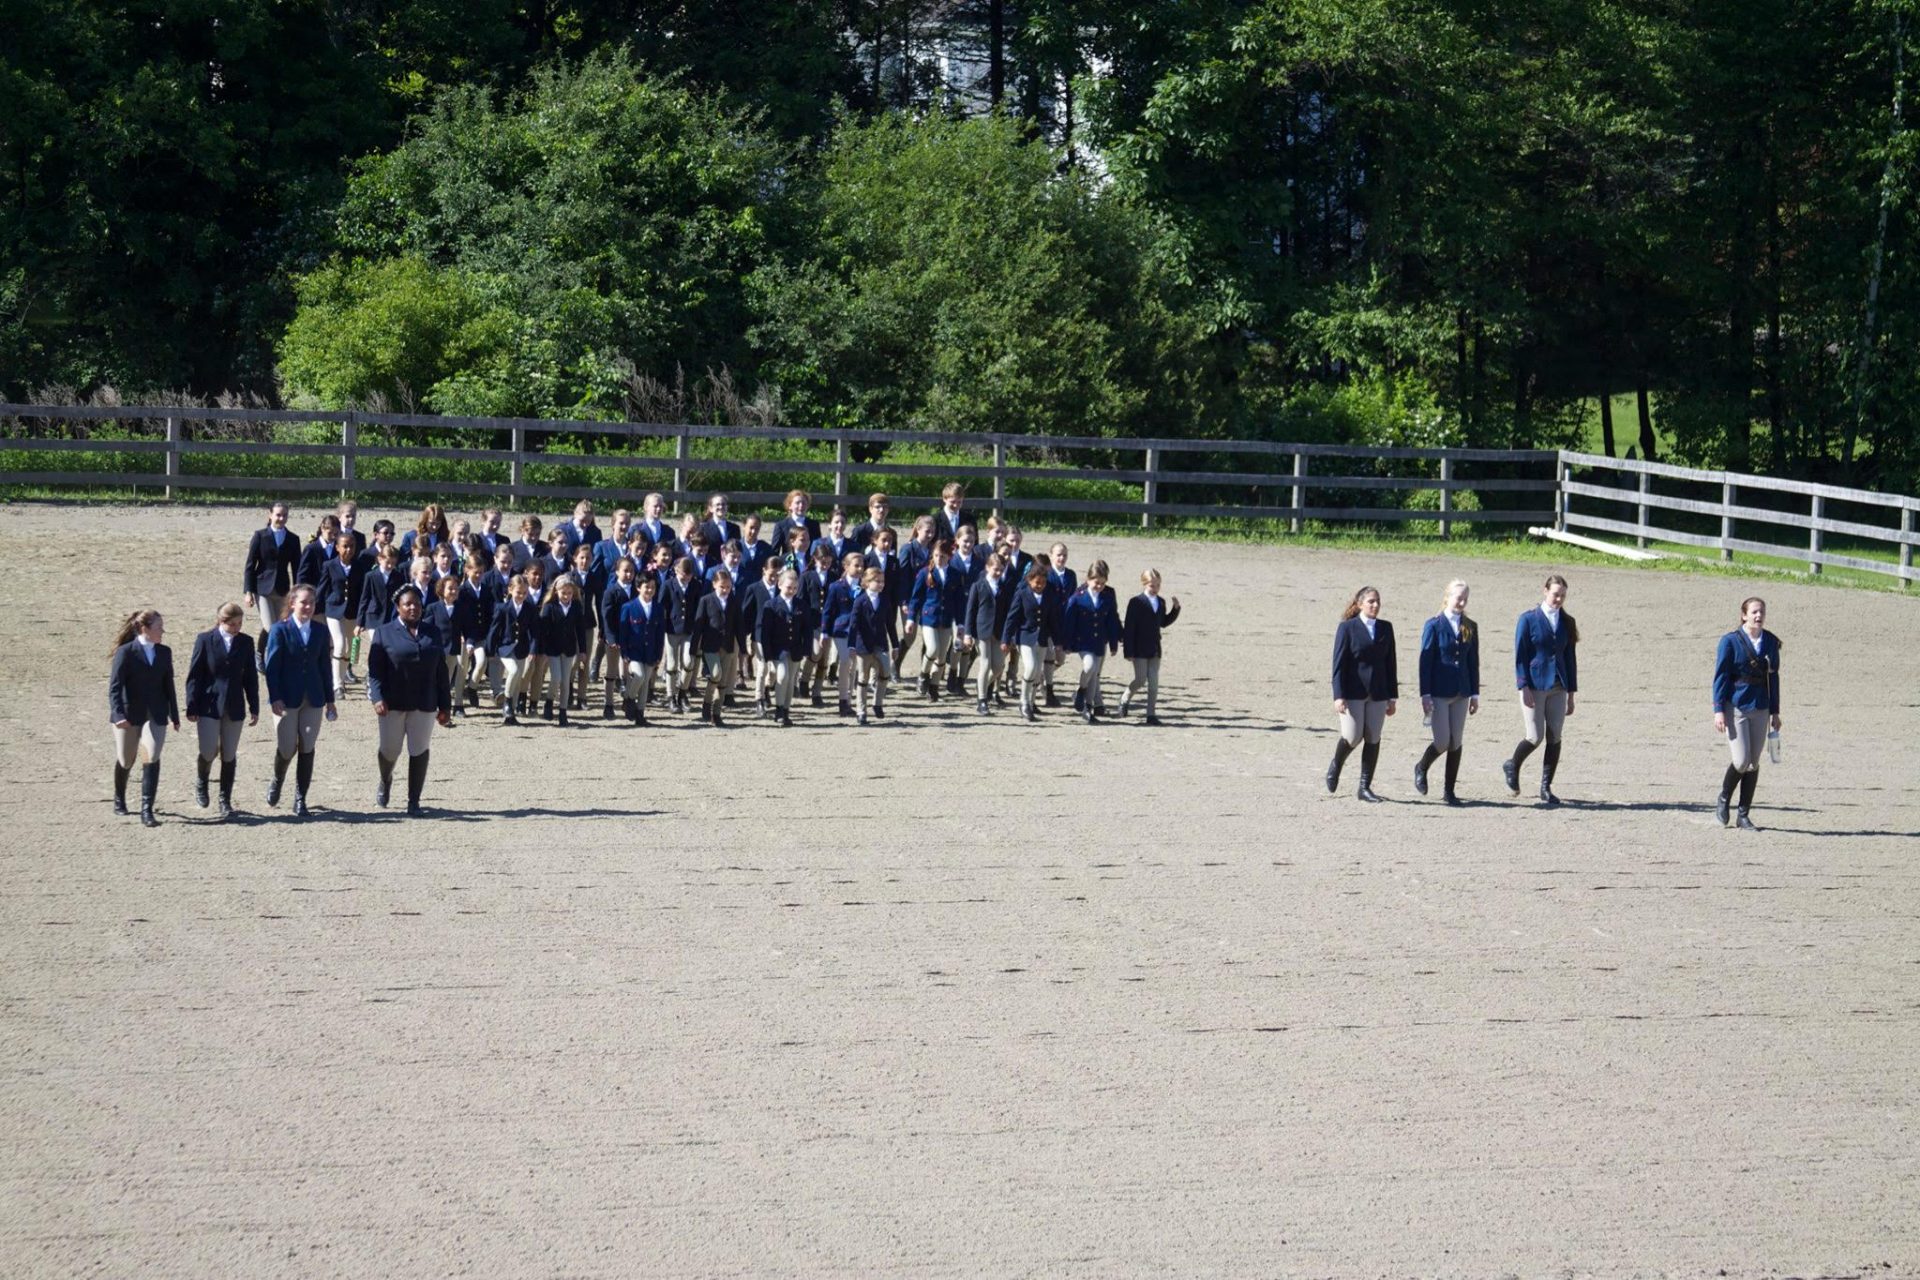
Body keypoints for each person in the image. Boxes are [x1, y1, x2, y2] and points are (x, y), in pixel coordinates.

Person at [367, 583, 453, 815]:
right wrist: (376, 698)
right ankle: (385, 779)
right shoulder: (384, 633)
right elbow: (374, 671)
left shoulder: (432, 632)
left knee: (419, 749)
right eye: (408, 604)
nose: (413, 607)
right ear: (398, 607)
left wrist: (445, 705)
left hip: (425, 702)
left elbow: (441, 671)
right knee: (389, 750)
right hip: (392, 703)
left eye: (417, 603)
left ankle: (414, 800)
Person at [1504, 574, 1580, 807]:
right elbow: (1520, 655)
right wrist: (1523, 685)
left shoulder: (1567, 622)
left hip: (1558, 685)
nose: (1559, 599)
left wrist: (1571, 694)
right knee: (1535, 737)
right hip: (1534, 685)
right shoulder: (1528, 619)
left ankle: (1546, 787)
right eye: (1556, 594)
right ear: (1545, 591)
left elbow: (1570, 658)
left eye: (1563, 596)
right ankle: (1512, 764)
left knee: (1555, 735)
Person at [263, 585, 338, 817]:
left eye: (312, 603)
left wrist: (330, 699)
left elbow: (325, 667)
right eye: (304, 602)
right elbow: (272, 667)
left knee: (307, 745)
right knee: (286, 748)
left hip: (313, 697)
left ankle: (300, 798)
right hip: (286, 698)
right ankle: (277, 779)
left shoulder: (320, 630)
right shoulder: (279, 630)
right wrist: (274, 697)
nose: (308, 607)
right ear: (292, 603)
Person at [1712, 596, 1783, 830]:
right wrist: (1719, 710)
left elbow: (1773, 677)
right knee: (1741, 760)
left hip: (1761, 706)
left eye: (1761, 611)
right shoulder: (1730, 642)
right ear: (1744, 615)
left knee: (1753, 763)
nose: (1758, 616)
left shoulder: (1771, 642)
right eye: (1753, 612)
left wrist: (1775, 711)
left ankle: (1743, 815)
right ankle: (1724, 798)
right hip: (1737, 707)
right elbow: (1721, 677)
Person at [184, 602, 259, 821]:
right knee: (208, 750)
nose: (237, 628)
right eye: (233, 624)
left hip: (234, 704)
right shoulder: (205, 640)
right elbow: (194, 675)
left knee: (229, 753)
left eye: (240, 623)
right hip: (209, 704)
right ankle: (202, 781)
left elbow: (250, 678)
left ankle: (225, 799)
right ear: (221, 621)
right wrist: (191, 704)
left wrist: (254, 705)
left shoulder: (246, 642)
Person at [107, 609, 180, 827]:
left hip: (156, 713)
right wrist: (118, 714)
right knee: (126, 759)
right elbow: (115, 687)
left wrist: (174, 715)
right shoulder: (126, 652)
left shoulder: (165, 652)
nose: (162, 631)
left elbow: (169, 686)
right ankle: (119, 796)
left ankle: (146, 810)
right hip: (129, 714)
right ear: (144, 629)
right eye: (159, 627)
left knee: (153, 754)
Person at [1414, 579, 1480, 806]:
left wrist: (1475, 694)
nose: (1461, 602)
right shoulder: (1433, 625)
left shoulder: (1471, 626)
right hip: (1439, 692)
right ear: (1448, 596)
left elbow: (1473, 662)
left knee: (1456, 741)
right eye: (1458, 597)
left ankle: (1449, 791)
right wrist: (1425, 694)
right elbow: (1425, 662)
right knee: (1442, 740)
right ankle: (1422, 766)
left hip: (1461, 691)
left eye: (1465, 599)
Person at [1326, 585, 1395, 801]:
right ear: (1359, 604)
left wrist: (1392, 696)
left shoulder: (1386, 628)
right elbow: (1338, 664)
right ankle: (1337, 763)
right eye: (1371, 601)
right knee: (1353, 736)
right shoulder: (1347, 628)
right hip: (1353, 692)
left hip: (1378, 692)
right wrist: (1338, 695)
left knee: (1373, 736)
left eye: (1377, 602)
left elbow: (1390, 664)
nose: (1375, 605)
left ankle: (1364, 788)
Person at [1120, 568, 1182, 726]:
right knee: (1140, 679)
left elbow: (1164, 622)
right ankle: (1125, 697)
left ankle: (1151, 714)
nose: (1155, 589)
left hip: (1155, 648)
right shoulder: (1136, 602)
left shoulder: (1161, 602)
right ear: (1144, 584)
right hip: (1139, 649)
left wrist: (1175, 610)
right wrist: (1128, 651)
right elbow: (1129, 628)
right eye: (1151, 586)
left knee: (1153, 682)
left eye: (1158, 585)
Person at [1062, 563, 1122, 724]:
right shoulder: (1077, 598)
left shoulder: (1108, 596)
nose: (1099, 586)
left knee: (1094, 674)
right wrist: (1066, 643)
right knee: (1089, 666)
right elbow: (1069, 621)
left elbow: (1112, 619)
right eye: (1096, 582)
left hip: (1100, 640)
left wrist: (1114, 642)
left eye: (1103, 583)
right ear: (1088, 580)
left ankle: (1088, 708)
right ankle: (1081, 690)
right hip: (1083, 640)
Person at [1002, 562, 1060, 723]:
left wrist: (1058, 641)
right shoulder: (1022, 594)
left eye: (1043, 582)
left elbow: (1053, 620)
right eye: (1037, 582)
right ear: (1029, 580)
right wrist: (1006, 639)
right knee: (1031, 667)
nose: (1040, 586)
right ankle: (1024, 701)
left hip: (1042, 638)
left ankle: (1032, 701)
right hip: (1025, 637)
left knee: (1037, 672)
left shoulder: (1049, 596)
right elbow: (1012, 618)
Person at [907, 538, 964, 700]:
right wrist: (911, 618)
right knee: (932, 649)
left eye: (943, 556)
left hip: (946, 619)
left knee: (941, 657)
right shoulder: (925, 573)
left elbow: (960, 601)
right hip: (929, 617)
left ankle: (934, 685)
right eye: (937, 555)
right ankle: (923, 674)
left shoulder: (955, 574)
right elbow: (916, 597)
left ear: (949, 556)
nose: (939, 559)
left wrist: (960, 623)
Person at [756, 568, 813, 727]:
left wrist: (807, 649)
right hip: (777, 649)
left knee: (790, 680)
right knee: (782, 676)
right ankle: (779, 709)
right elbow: (765, 632)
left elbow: (807, 629)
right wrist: (767, 654)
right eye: (789, 587)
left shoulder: (801, 604)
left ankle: (786, 710)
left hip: (795, 648)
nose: (792, 591)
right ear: (780, 585)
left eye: (795, 588)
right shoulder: (771, 605)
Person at [242, 501, 302, 652]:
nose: (281, 518)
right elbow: (250, 565)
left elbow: (297, 568)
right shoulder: (260, 536)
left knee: (280, 626)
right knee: (270, 626)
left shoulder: (293, 539)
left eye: (284, 515)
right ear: (270, 515)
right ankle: (266, 656)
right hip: (262, 589)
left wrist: (297, 591)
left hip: (282, 589)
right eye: (278, 515)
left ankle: (262, 653)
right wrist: (248, 592)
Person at [960, 552, 1014, 715]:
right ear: (987, 568)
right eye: (995, 569)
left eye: (1001, 570)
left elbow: (1007, 612)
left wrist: (1008, 634)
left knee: (998, 666)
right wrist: (968, 633)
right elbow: (970, 611)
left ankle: (981, 685)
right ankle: (982, 700)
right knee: (985, 663)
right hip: (981, 630)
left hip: (998, 631)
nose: (998, 573)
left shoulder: (1005, 588)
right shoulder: (978, 586)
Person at [691, 566, 745, 725]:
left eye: (728, 587)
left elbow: (739, 626)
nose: (725, 590)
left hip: (727, 646)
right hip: (710, 645)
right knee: (715, 674)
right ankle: (707, 703)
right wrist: (694, 647)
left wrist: (743, 647)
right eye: (722, 586)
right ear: (714, 584)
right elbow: (699, 626)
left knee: (723, 682)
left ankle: (716, 713)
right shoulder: (706, 600)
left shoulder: (734, 601)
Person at [319, 530, 369, 691]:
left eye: (352, 546)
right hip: (333, 610)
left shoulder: (360, 566)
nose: (349, 550)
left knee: (348, 649)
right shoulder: (329, 565)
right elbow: (322, 588)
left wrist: (362, 619)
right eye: (345, 546)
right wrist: (313, 607)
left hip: (353, 612)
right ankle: (337, 684)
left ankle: (341, 677)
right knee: (339, 644)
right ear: (337, 547)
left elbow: (363, 594)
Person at [617, 572, 668, 725]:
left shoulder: (658, 608)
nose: (650, 590)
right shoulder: (628, 607)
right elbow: (623, 632)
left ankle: (640, 713)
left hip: (650, 651)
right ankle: (628, 697)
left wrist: (659, 654)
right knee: (638, 676)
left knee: (645, 683)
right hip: (634, 651)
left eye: (653, 587)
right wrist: (624, 652)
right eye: (647, 587)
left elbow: (660, 634)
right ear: (638, 588)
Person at [488, 575, 539, 726]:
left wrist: (533, 650)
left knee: (517, 681)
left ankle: (511, 715)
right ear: (510, 590)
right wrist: (490, 651)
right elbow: (494, 630)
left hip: (522, 648)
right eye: (518, 592)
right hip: (504, 647)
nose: (521, 596)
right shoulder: (502, 608)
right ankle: (507, 702)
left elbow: (534, 631)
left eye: (524, 593)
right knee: (514, 670)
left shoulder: (530, 608)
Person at [539, 576, 588, 724]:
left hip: (569, 648)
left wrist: (583, 651)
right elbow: (544, 631)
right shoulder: (549, 607)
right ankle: (549, 701)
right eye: (563, 593)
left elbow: (580, 630)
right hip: (552, 649)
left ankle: (563, 711)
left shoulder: (576, 606)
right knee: (556, 678)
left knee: (566, 681)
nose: (566, 596)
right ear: (556, 592)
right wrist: (543, 651)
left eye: (569, 593)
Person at [821, 552, 866, 717]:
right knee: (846, 661)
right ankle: (842, 700)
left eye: (862, 565)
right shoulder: (836, 586)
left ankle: (848, 700)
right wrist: (824, 632)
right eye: (856, 565)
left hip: (859, 630)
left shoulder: (865, 586)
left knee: (853, 666)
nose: (860, 568)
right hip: (841, 630)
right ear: (846, 567)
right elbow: (828, 611)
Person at [849, 567, 893, 724]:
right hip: (863, 646)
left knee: (885, 672)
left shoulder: (885, 600)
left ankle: (878, 703)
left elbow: (890, 624)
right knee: (863, 678)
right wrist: (851, 645)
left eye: (883, 581)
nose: (881, 584)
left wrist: (894, 644)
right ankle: (861, 711)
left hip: (880, 644)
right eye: (877, 581)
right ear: (867, 583)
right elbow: (853, 624)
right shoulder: (860, 601)